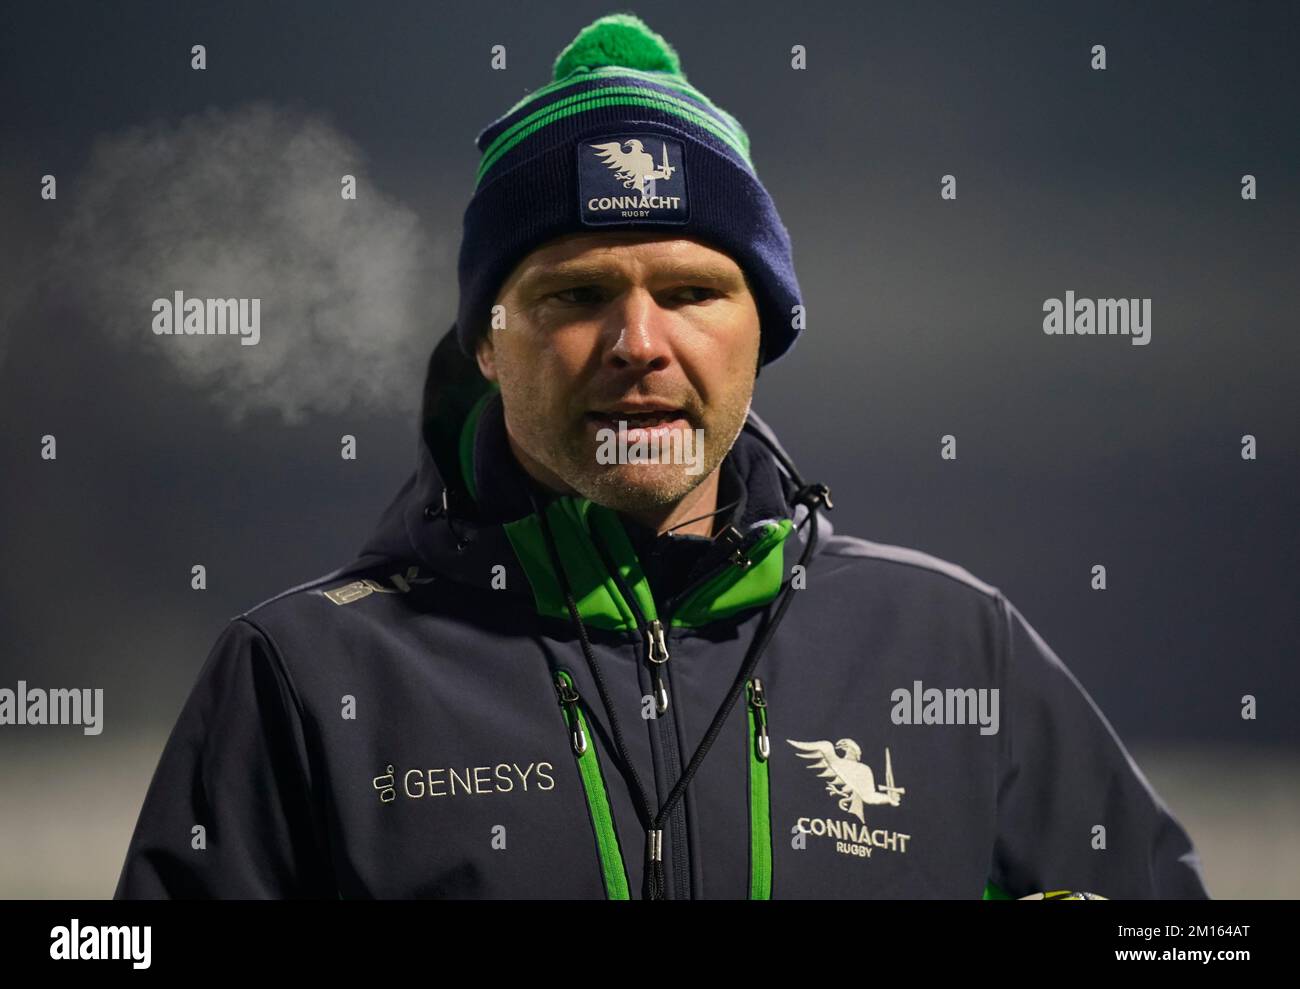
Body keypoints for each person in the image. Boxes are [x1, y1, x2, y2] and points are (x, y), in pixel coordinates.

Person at [114, 13, 1210, 900]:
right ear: (490, 344)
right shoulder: (306, 672)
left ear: (762, 330)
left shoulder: (952, 644)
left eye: (691, 292)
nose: (639, 344)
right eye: (577, 296)